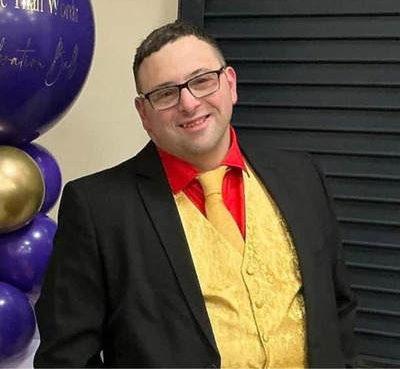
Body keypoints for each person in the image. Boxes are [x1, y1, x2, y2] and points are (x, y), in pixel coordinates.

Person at [34, 21, 358, 368]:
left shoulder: (303, 177)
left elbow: (338, 309)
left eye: (202, 80)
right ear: (144, 114)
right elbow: (65, 359)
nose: (189, 103)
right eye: (165, 93)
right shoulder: (98, 209)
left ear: (230, 84)